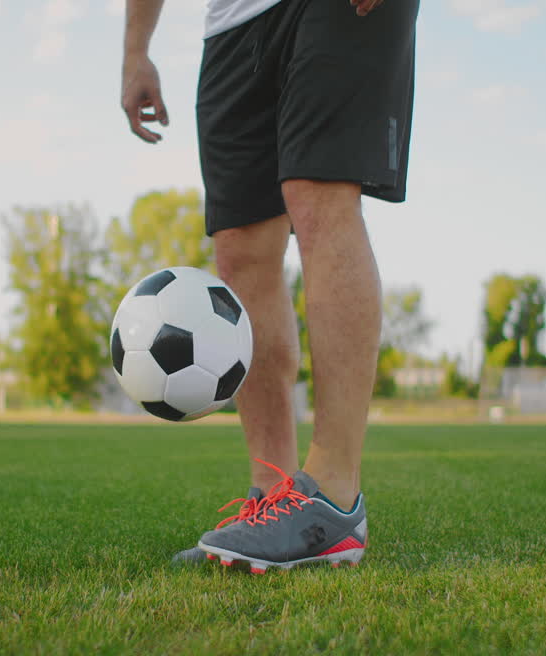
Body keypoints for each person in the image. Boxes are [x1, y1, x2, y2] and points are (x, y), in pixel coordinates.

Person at [121, 0, 420, 573]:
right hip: (232, 24)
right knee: (239, 246)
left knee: (318, 194)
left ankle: (332, 497)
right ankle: (274, 495)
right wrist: (137, 50)